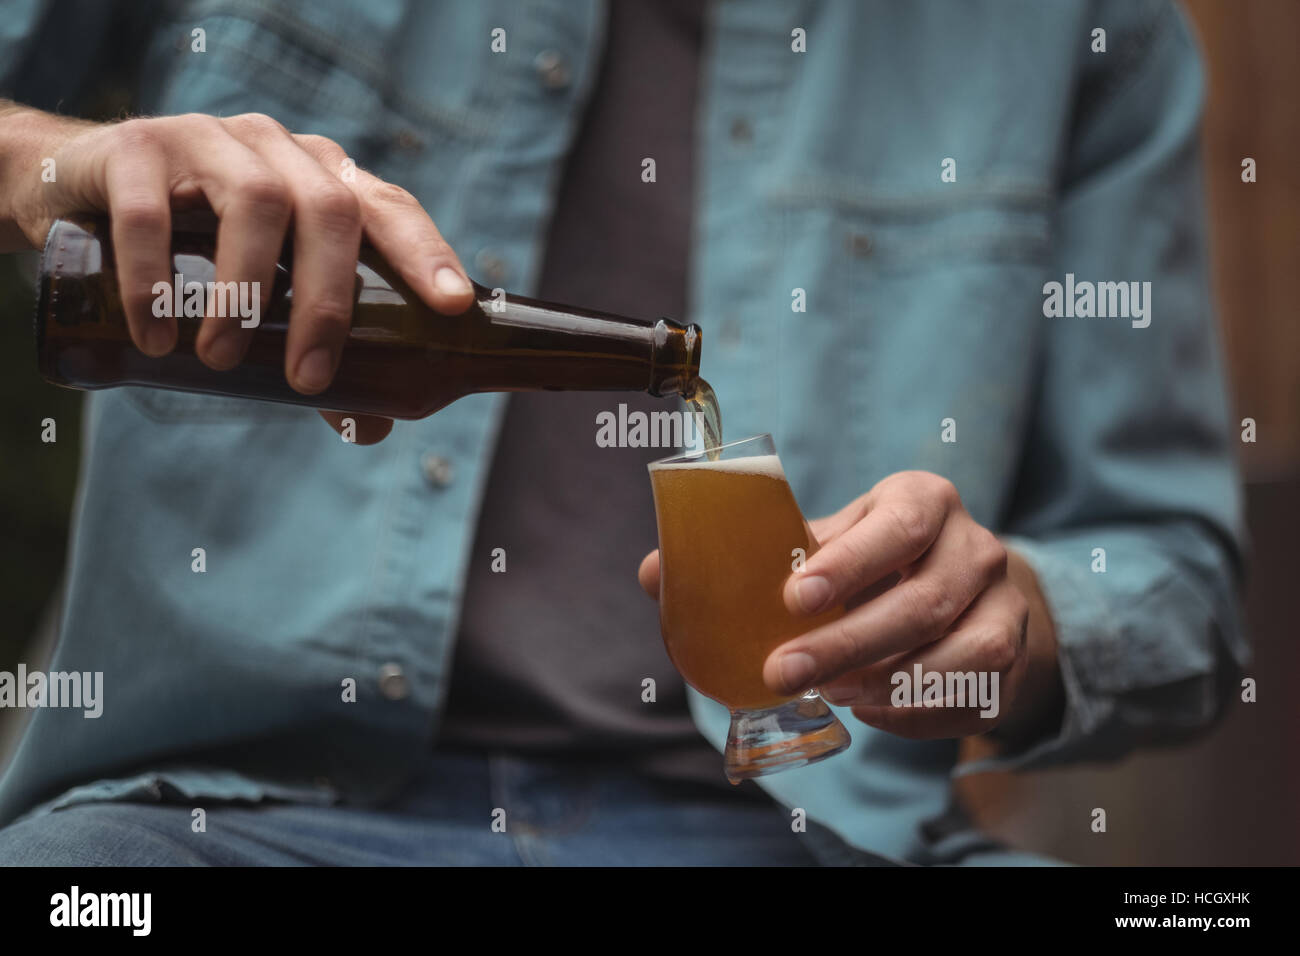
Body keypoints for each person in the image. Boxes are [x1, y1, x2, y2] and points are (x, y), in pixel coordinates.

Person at [0, 0, 1245, 866]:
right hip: (225, 809)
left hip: (800, 824)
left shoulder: (1085, 28)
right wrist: (48, 159)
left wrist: (1012, 613)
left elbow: (1179, 588)